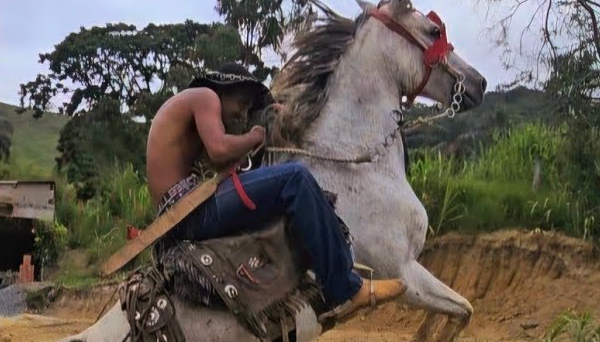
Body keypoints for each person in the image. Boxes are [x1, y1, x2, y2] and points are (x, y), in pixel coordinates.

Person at [145, 62, 406, 321]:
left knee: (283, 181)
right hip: (190, 214)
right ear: (225, 90)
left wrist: (266, 124)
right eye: (242, 103)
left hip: (184, 215)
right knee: (296, 177)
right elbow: (220, 150)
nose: (243, 114)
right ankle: (347, 287)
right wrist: (255, 136)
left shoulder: (192, 109)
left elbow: (222, 160)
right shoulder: (206, 96)